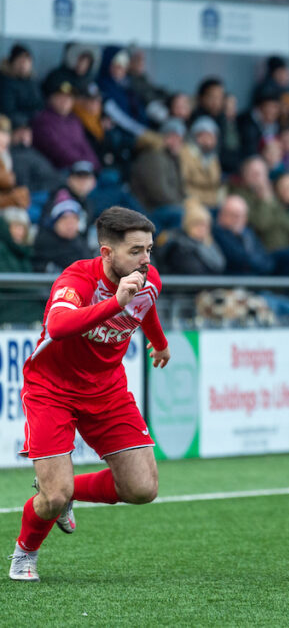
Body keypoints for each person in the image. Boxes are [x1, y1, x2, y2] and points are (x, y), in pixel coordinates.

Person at [9, 207, 170, 582]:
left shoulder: (148, 279)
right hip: (52, 389)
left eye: (149, 249)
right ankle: (24, 553)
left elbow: (146, 308)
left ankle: (69, 493)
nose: (145, 260)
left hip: (107, 390)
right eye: (136, 251)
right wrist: (113, 302)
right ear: (106, 253)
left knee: (142, 488)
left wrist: (159, 343)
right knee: (52, 498)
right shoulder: (77, 280)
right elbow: (58, 325)